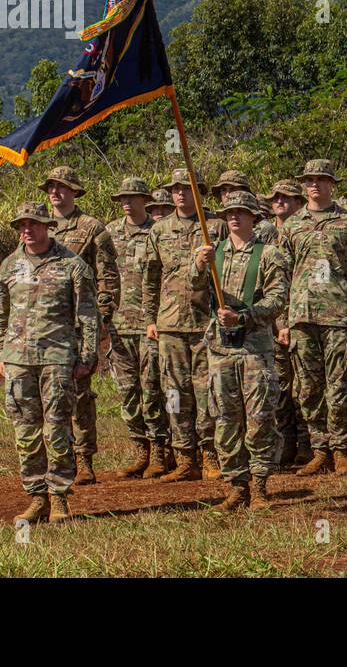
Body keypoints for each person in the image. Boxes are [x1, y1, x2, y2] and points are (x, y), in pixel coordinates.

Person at [0, 202, 98, 525]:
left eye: (33, 223)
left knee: (56, 429)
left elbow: (89, 316)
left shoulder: (72, 265)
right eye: (21, 225)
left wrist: (88, 356)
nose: (26, 229)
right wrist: (1, 353)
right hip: (19, 362)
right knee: (25, 431)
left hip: (57, 360)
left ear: (47, 226)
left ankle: (59, 498)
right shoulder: (9, 267)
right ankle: (36, 497)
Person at [279, 160, 347, 477]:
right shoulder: (292, 226)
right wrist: (282, 320)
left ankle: (341, 450)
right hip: (302, 316)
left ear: (331, 184)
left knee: (339, 386)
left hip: (339, 316)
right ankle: (319, 448)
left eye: (321, 180)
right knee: (308, 388)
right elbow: (280, 276)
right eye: (309, 180)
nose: (314, 185)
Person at [194, 191, 290, 510]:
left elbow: (278, 299)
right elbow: (192, 293)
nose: (234, 217)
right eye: (229, 212)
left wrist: (245, 316)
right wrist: (198, 267)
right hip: (221, 349)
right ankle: (236, 484)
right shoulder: (214, 253)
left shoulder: (269, 255)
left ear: (254, 217)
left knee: (259, 416)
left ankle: (260, 484)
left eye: (241, 212)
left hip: (255, 348)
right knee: (225, 417)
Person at [144, 168, 227, 481]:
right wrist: (150, 318)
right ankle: (184, 458)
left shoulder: (215, 226)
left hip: (206, 322)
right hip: (170, 322)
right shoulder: (159, 229)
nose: (180, 193)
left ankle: (211, 455)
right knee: (174, 393)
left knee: (208, 392)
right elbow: (151, 277)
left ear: (198, 192)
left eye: (187, 188)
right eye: (176, 188)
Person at [42, 165, 120, 484]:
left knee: (80, 391)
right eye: (50, 187)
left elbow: (108, 274)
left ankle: (84, 458)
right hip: (45, 325)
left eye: (61, 186)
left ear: (75, 191)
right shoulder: (38, 227)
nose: (55, 192)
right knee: (47, 394)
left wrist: (102, 313)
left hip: (77, 322)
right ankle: (58, 457)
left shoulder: (91, 228)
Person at [104, 178, 172, 479]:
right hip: (119, 324)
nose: (127, 202)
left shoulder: (157, 232)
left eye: (133, 197)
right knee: (128, 391)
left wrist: (157, 319)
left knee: (154, 388)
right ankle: (140, 448)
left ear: (146, 199)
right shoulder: (110, 232)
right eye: (123, 198)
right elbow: (101, 273)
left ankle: (160, 449)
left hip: (151, 324)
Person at [269, 178, 311, 466]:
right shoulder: (263, 235)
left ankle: (310, 443)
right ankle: (285, 443)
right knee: (281, 386)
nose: (280, 202)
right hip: (274, 322)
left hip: (305, 317)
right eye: (276, 198)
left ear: (299, 202)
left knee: (307, 384)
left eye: (287, 197)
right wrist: (278, 321)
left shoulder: (307, 232)